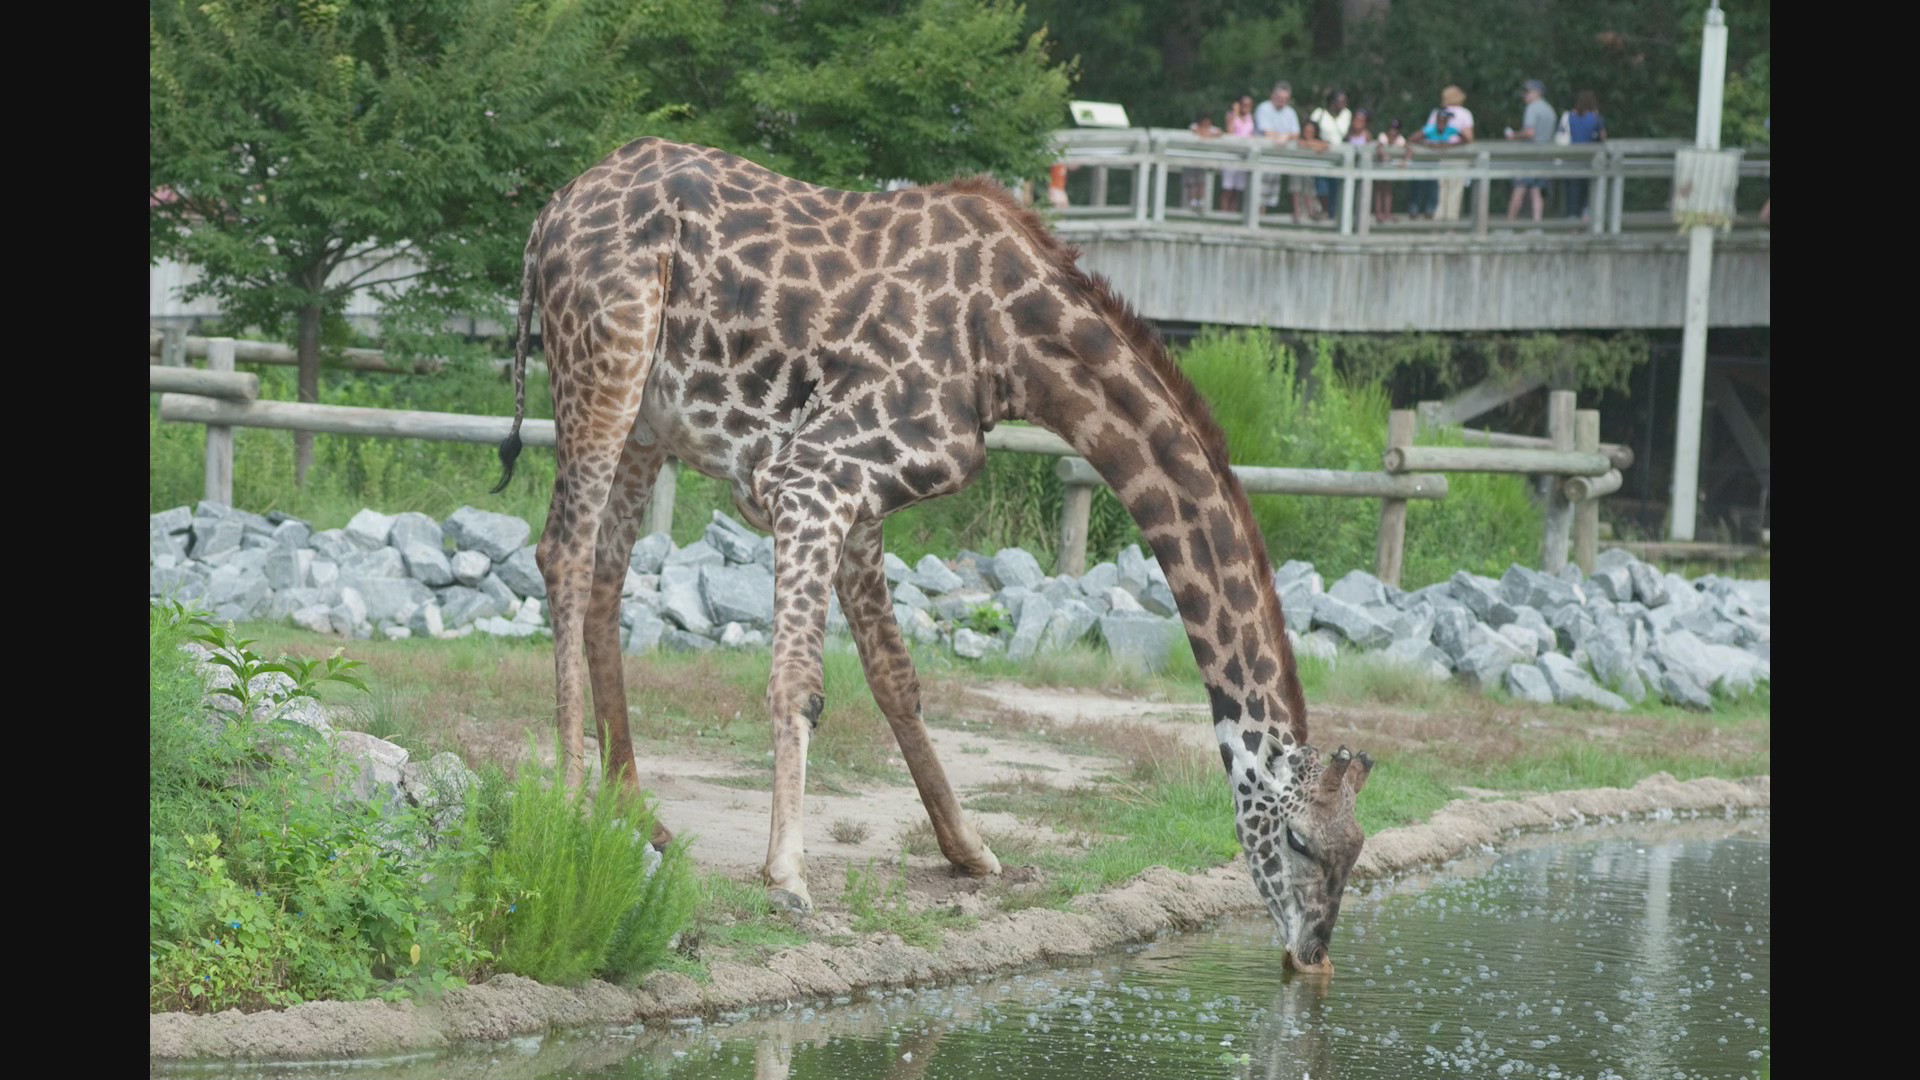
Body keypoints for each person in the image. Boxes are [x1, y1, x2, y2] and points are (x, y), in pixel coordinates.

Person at [1505, 79, 1557, 222]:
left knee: (1519, 189)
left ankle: (1509, 224)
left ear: (1537, 93)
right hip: (1545, 156)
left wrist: (1513, 135)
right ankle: (1537, 224)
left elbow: (1530, 133)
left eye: (1527, 92)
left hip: (1529, 156)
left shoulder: (1532, 108)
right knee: (1536, 192)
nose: (1524, 95)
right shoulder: (1549, 109)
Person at [1425, 86, 1475, 221]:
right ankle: (1451, 223)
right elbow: (1469, 138)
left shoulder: (1437, 113)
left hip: (1440, 155)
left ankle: (1438, 221)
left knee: (1441, 189)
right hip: (1458, 156)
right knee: (1455, 190)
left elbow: (1429, 135)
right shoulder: (1465, 114)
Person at [1407, 108, 1463, 219]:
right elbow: (1412, 138)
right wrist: (1428, 144)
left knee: (1433, 188)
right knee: (1418, 187)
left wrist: (1449, 146)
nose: (1443, 122)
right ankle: (1414, 210)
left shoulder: (1450, 130)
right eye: (1442, 120)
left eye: (1445, 120)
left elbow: (1466, 138)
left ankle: (1429, 212)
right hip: (1422, 163)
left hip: (1435, 164)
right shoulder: (1430, 129)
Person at [1254, 81, 1301, 210]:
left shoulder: (1290, 112)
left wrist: (1284, 137)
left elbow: (1296, 134)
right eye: (1279, 98)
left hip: (1278, 158)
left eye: (1285, 99)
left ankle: (1261, 221)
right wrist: (1285, 136)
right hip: (1260, 156)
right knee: (1257, 194)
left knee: (1269, 196)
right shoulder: (1264, 108)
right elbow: (1266, 132)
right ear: (1273, 96)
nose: (1282, 101)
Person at [1560, 90, 1606, 220]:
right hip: (1589, 160)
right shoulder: (1596, 118)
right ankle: (1586, 216)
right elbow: (1603, 138)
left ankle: (1572, 219)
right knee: (1587, 191)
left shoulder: (1568, 117)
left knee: (1572, 192)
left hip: (1570, 159)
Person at [1309, 90, 1352, 217]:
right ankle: (1325, 210)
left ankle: (1334, 213)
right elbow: (1309, 130)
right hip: (1321, 154)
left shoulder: (1346, 114)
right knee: (1321, 185)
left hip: (1339, 156)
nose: (1343, 104)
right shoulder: (1319, 113)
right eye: (1341, 101)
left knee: (1337, 187)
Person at [1220, 95, 1255, 213]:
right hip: (1231, 154)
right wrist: (1235, 111)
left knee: (1237, 190)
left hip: (1244, 155)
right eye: (1244, 104)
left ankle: (1233, 213)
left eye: (1249, 105)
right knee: (1227, 189)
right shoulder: (1231, 116)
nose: (1246, 107)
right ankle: (1224, 212)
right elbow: (1230, 131)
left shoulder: (1250, 118)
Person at [1291, 119, 1330, 222]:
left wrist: (1315, 145)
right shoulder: (1299, 140)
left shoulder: (1318, 141)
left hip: (1312, 171)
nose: (1308, 133)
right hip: (1297, 168)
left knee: (1309, 186)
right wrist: (1314, 145)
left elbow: (1325, 145)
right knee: (1296, 184)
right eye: (1306, 131)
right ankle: (1297, 212)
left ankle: (1311, 211)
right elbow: (1302, 143)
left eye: (1311, 131)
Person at [1373, 118, 1409, 222]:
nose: (1393, 131)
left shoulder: (1400, 139)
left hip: (1389, 169)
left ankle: (1387, 213)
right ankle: (1378, 213)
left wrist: (1405, 160)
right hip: (1379, 168)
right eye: (1391, 128)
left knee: (1388, 191)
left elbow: (1409, 149)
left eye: (1395, 129)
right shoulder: (1383, 137)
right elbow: (1379, 148)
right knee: (1379, 190)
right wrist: (1383, 155)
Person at [1185, 113, 1223, 210]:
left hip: (1206, 159)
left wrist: (1208, 135)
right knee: (1193, 181)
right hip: (1193, 158)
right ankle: (1192, 201)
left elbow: (1219, 133)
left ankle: (1201, 201)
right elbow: (1197, 131)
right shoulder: (1194, 126)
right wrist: (1208, 135)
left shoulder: (1213, 129)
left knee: (1202, 181)